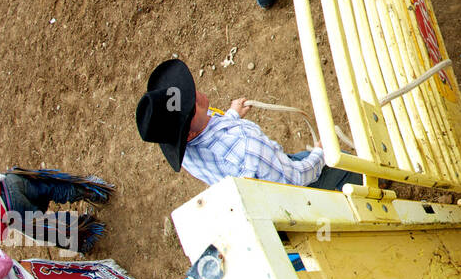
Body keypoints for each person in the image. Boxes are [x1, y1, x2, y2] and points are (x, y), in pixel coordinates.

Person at [135, 58, 362, 191]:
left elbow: (212, 135)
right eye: (189, 106)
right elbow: (297, 178)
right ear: (187, 135)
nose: (194, 94)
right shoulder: (245, 147)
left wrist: (232, 115)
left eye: (184, 93)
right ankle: (370, 185)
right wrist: (320, 153)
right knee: (343, 163)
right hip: (294, 186)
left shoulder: (187, 153)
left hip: (263, 179)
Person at [0, 145, 111, 254]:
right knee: (51, 187)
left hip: (9, 209)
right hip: (9, 181)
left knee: (49, 227)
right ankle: (93, 191)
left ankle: (88, 235)